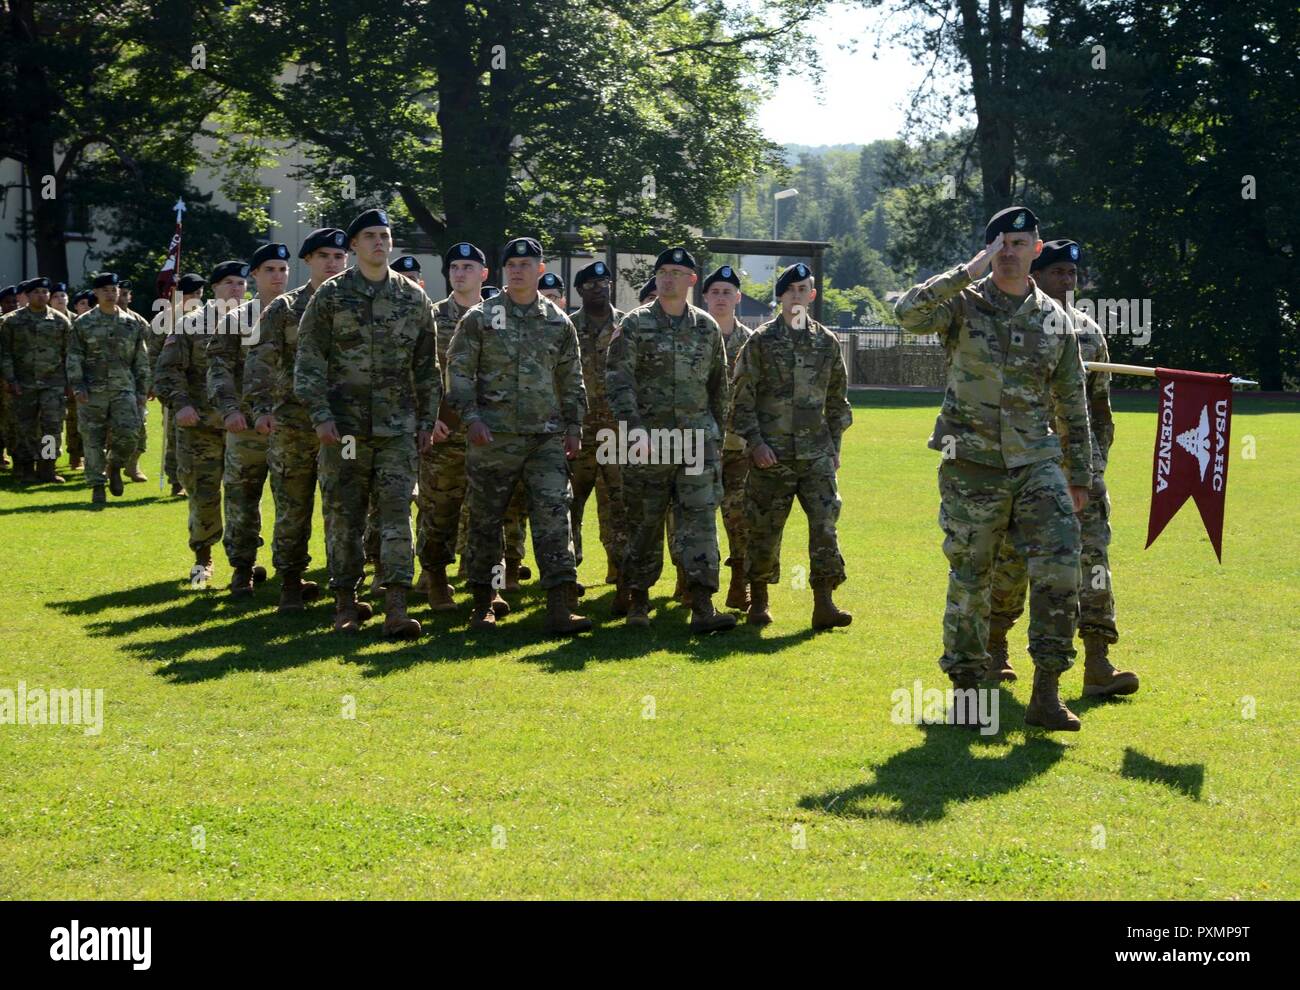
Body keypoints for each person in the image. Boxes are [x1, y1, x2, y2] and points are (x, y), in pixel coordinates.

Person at [894, 206, 1093, 731]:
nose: (1010, 251)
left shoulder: (1055, 317)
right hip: (972, 466)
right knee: (970, 577)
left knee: (1058, 570)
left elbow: (1073, 400)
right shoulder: (960, 305)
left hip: (1037, 461)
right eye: (1001, 242)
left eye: (1021, 242)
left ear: (1036, 247)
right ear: (988, 250)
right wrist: (964, 272)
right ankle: (967, 692)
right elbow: (907, 314)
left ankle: (1046, 694)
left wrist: (1080, 477)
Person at [986, 238, 1138, 697]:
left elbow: (1099, 413)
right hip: (1025, 469)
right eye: (1058, 273)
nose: (1067, 282)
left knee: (1094, 566)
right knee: (1010, 563)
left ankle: (1098, 662)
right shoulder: (1015, 322)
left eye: (1072, 275)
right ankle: (995, 649)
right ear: (1038, 273)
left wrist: (1090, 474)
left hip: (1078, 474)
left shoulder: (1090, 333)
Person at [294, 208, 444, 638]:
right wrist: (320, 416)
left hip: (397, 430)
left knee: (397, 515)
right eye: (370, 236)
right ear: (354, 246)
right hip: (345, 431)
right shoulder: (332, 296)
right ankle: (344, 603)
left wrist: (426, 421)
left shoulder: (413, 298)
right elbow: (308, 362)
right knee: (346, 514)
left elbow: (427, 367)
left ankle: (396, 605)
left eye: (385, 235)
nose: (379, 242)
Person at [446, 235, 589, 634]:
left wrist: (575, 425)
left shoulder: (557, 321)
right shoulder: (481, 316)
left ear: (540, 270)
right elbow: (458, 370)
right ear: (505, 270)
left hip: (545, 438)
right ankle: (483, 603)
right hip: (493, 437)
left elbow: (571, 377)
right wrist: (471, 416)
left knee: (554, 515)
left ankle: (560, 605)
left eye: (527, 264)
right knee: (486, 520)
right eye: (512, 264)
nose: (518, 269)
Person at [606, 246, 735, 632]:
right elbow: (618, 379)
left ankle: (702, 605)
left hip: (697, 444)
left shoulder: (706, 327)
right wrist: (634, 428)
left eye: (677, 272)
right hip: (649, 442)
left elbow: (719, 388)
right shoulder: (634, 324)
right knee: (643, 524)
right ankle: (638, 603)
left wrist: (716, 438)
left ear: (692, 281)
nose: (668, 278)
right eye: (663, 271)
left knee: (699, 523)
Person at [732, 263, 853, 629]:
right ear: (781, 296)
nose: (797, 295)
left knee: (825, 528)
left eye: (804, 289)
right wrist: (755, 443)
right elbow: (741, 399)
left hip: (816, 454)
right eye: (791, 290)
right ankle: (759, 601)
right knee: (764, 529)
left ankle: (824, 603)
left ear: (812, 295)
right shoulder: (761, 342)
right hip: (773, 455)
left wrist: (835, 447)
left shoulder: (826, 342)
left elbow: (838, 401)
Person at [243, 228, 349, 613]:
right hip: (293, 424)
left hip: (343, 426)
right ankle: (290, 582)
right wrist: (260, 409)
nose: (332, 263)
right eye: (324, 256)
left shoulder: (357, 305)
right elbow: (259, 361)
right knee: (293, 507)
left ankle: (344, 588)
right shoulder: (284, 308)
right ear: (308, 262)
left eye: (338, 257)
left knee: (343, 509)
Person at [568, 260, 628, 612]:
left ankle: (621, 575)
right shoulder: (567, 327)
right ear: (579, 291)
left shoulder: (628, 326)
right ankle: (569, 575)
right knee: (569, 507)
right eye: (589, 285)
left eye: (603, 282)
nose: (598, 289)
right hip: (578, 433)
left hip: (618, 436)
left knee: (618, 507)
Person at [65, 273, 148, 505]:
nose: (111, 294)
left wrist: (142, 391)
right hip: (92, 391)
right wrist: (77, 385)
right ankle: (97, 485)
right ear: (96, 294)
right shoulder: (83, 323)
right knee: (92, 439)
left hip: (124, 389)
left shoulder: (132, 323)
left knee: (130, 434)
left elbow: (141, 359)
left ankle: (115, 465)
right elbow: (74, 356)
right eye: (106, 290)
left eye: (114, 290)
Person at [701, 264, 755, 610]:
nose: (721, 298)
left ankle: (740, 582)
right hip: (697, 443)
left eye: (727, 292)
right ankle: (691, 582)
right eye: (715, 292)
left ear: (737, 297)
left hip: (737, 444)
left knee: (738, 515)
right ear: (705, 297)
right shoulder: (694, 335)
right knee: (691, 517)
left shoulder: (751, 342)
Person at [0, 276, 71, 483]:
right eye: (37, 292)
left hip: (53, 385)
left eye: (44, 292)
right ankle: (25, 468)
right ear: (28, 296)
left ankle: (47, 468)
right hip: (23, 384)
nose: (41, 296)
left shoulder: (60, 321)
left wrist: (68, 382)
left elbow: (69, 354)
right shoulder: (11, 321)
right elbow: (5, 354)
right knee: (24, 427)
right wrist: (10, 379)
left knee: (52, 427)